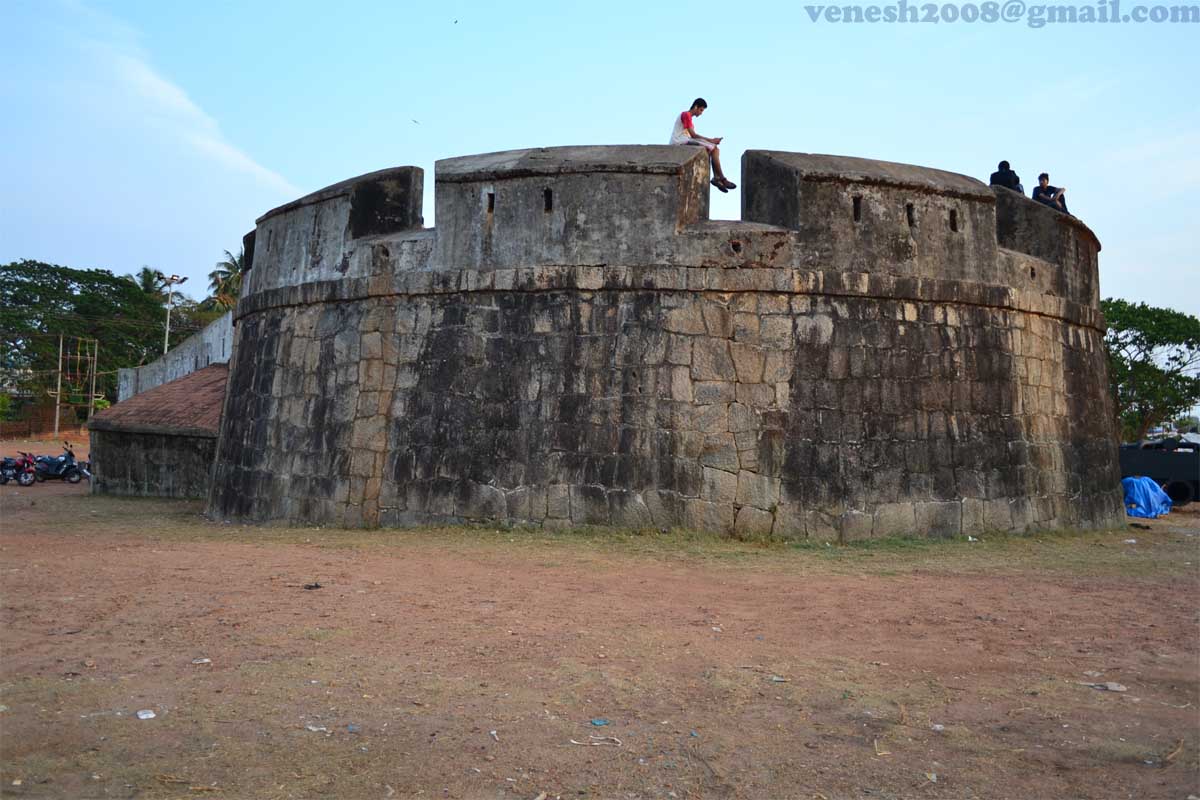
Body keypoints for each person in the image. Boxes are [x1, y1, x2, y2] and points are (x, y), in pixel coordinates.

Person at [670, 98, 737, 193]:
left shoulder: (690, 120)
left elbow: (693, 137)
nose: (701, 113)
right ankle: (721, 178)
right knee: (713, 148)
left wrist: (710, 142)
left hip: (684, 140)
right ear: (695, 106)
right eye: (701, 110)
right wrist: (711, 140)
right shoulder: (686, 115)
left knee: (715, 149)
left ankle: (717, 177)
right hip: (679, 141)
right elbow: (694, 135)